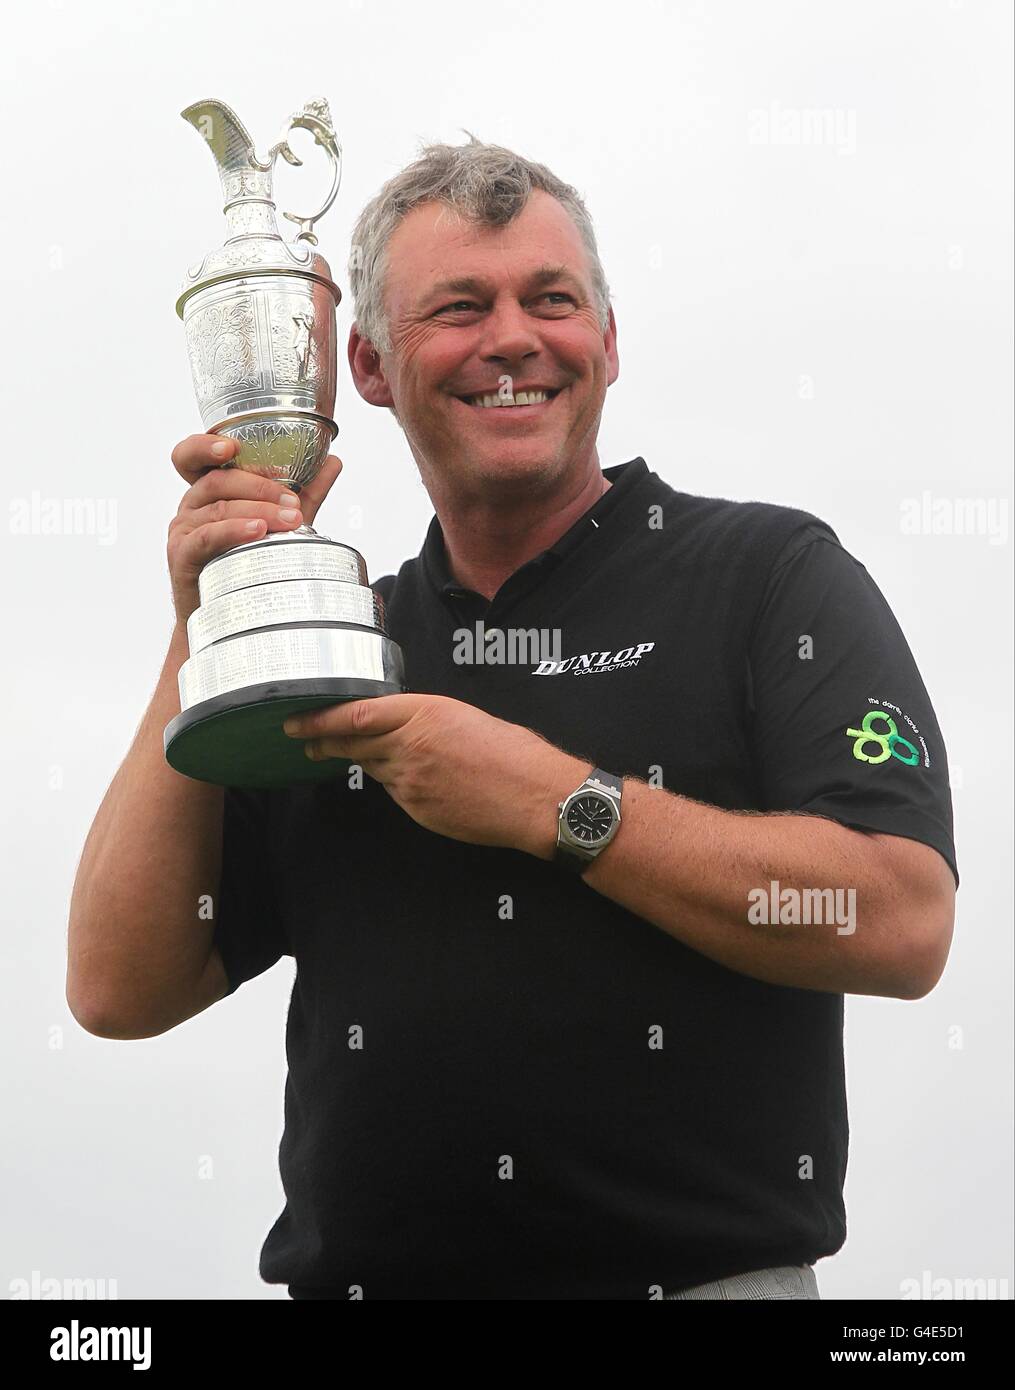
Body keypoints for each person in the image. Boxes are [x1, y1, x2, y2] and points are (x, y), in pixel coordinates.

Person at [68, 137, 958, 1301]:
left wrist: (559, 804)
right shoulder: (340, 647)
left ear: (608, 341)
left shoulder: (767, 576)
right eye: (458, 307)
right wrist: (209, 621)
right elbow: (116, 987)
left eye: (551, 300)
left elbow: (898, 920)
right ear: (370, 367)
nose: (512, 340)